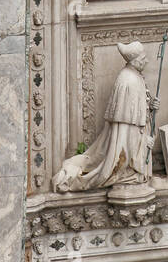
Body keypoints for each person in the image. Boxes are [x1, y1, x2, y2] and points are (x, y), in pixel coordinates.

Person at [56, 41, 156, 191]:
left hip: (136, 139)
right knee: (111, 167)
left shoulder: (135, 76)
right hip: (130, 145)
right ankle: (127, 172)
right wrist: (143, 141)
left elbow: (140, 112)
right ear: (135, 61)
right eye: (143, 59)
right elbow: (126, 131)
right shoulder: (129, 81)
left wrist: (152, 107)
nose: (146, 61)